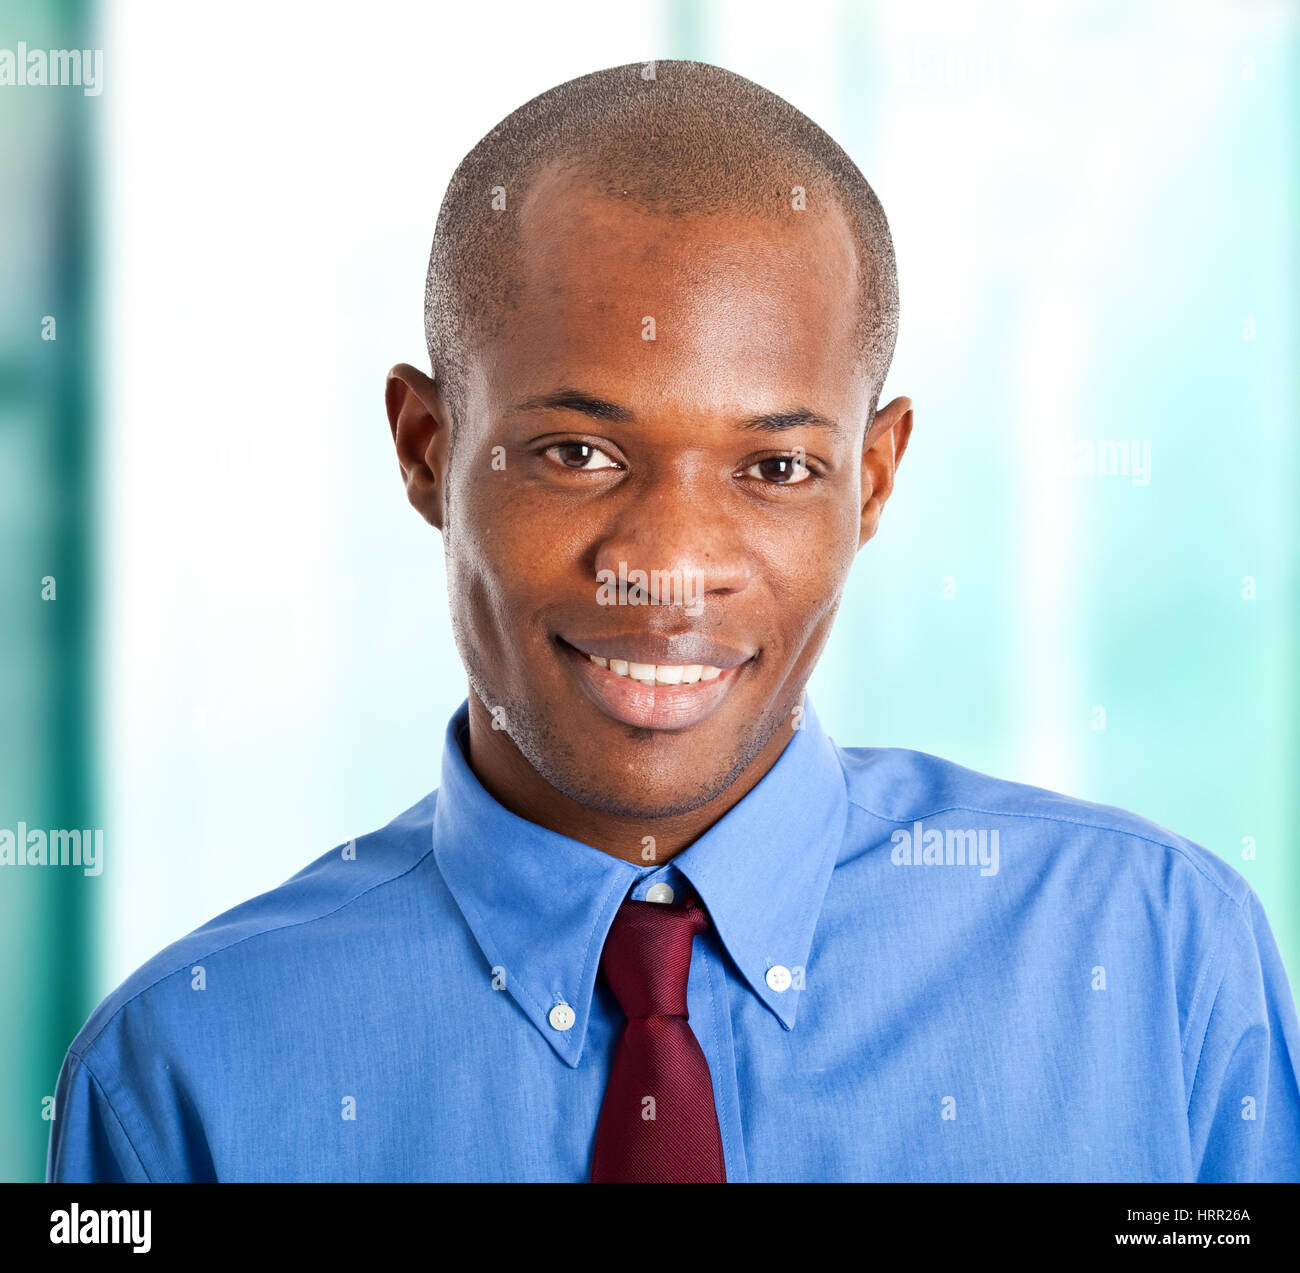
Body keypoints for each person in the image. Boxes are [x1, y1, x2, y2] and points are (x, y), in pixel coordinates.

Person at [49, 59, 1300, 1183]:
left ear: (872, 480)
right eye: (578, 451)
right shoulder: (188, 1069)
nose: (665, 569)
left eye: (774, 470)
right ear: (427, 450)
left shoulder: (1157, 958)